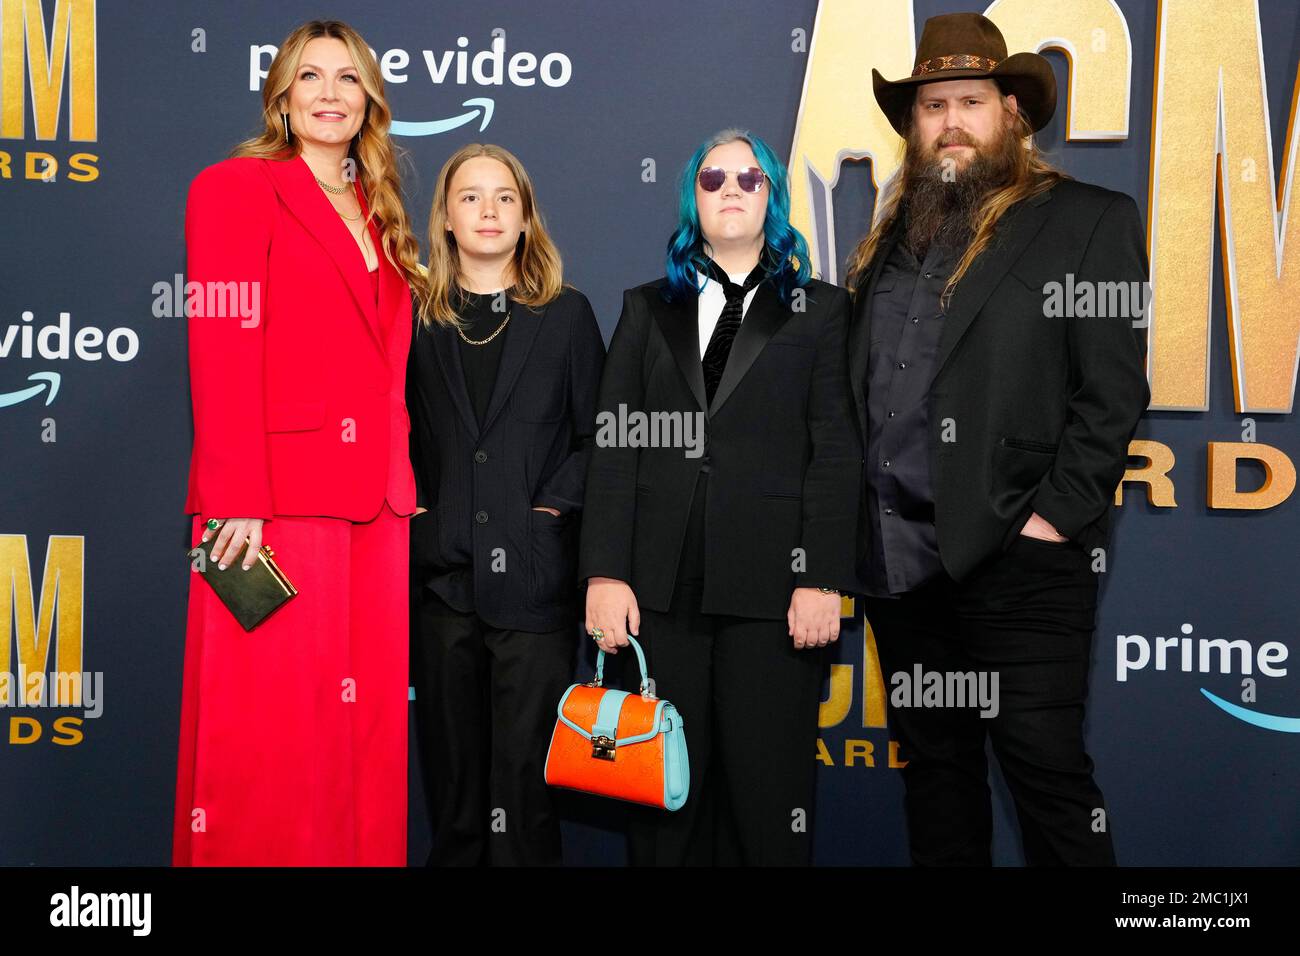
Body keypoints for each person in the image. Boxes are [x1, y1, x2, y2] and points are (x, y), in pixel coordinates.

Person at [847, 12, 1150, 865]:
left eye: (969, 101)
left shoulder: (1088, 219)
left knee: (1045, 779)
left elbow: (1114, 393)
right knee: (937, 779)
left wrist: (1051, 522)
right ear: (914, 122)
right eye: (933, 104)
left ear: (1012, 112)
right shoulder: (891, 237)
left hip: (1021, 564)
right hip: (902, 568)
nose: (950, 121)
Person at [173, 20, 425, 866]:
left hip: (379, 507)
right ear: (281, 96)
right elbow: (219, 340)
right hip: (276, 504)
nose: (328, 94)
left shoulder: (380, 208)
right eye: (309, 77)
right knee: (273, 732)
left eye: (347, 79)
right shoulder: (233, 189)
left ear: (368, 100)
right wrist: (236, 492)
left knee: (365, 738)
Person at [580, 129, 860, 866]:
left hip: (774, 591)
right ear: (691, 198)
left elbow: (836, 450)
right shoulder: (645, 309)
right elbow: (614, 446)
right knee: (661, 803)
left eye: (749, 178)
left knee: (770, 807)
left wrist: (821, 574)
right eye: (713, 178)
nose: (730, 189)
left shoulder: (823, 311)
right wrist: (605, 572)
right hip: (659, 593)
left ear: (772, 196)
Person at [407, 143, 605, 866]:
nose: (487, 211)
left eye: (504, 198)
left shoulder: (567, 317)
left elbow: (599, 440)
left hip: (533, 591)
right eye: (470, 197)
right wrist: (422, 515)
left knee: (524, 808)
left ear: (525, 220)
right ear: (446, 218)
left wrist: (549, 510)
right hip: (442, 588)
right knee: (456, 806)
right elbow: (389, 433)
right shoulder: (413, 318)